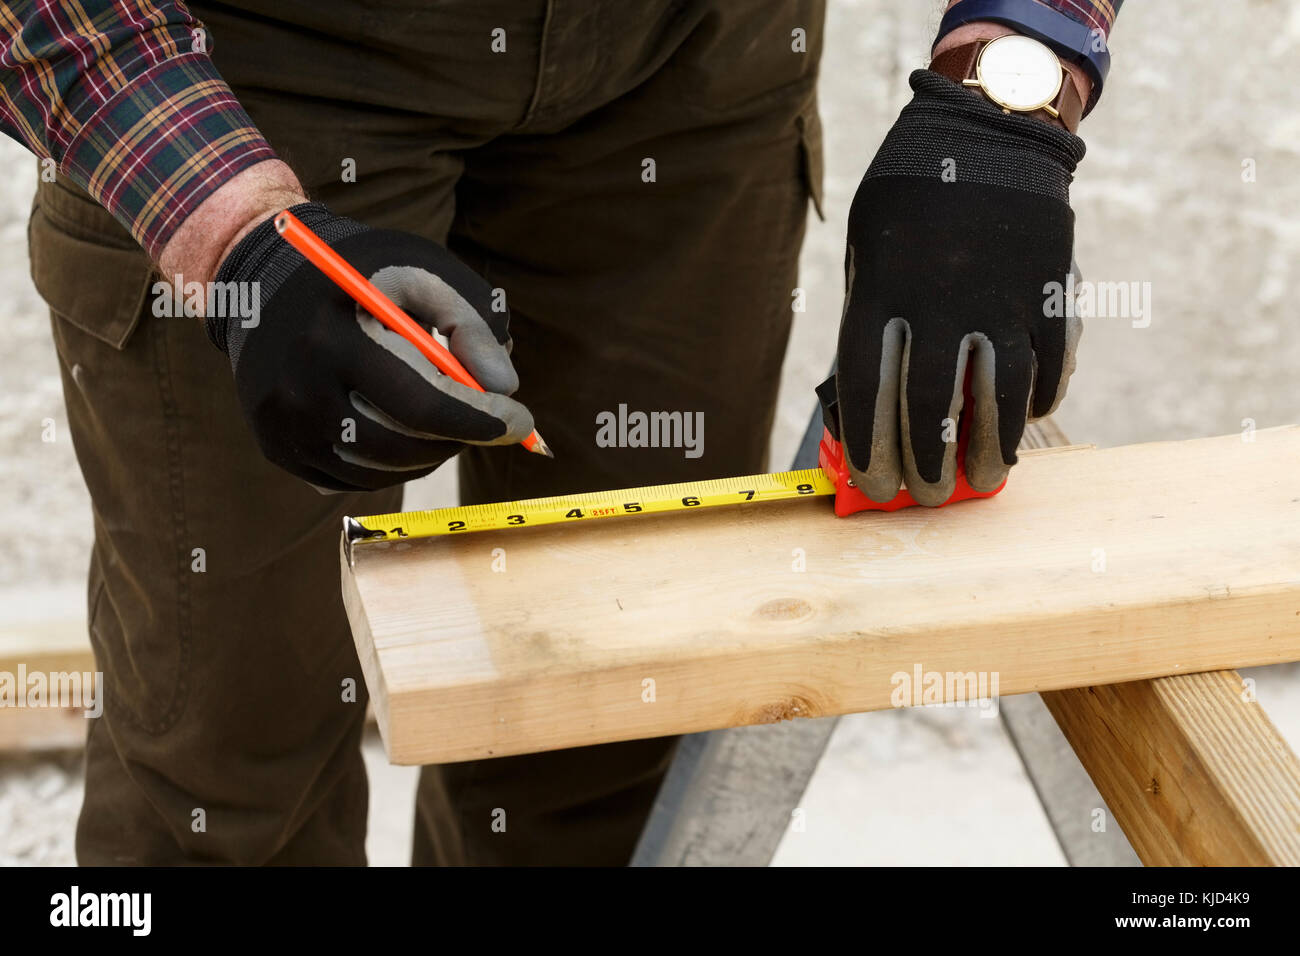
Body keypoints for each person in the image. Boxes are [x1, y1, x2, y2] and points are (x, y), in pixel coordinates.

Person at [2, 0, 1121, 865]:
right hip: (258, 59)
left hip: (689, 67)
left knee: (613, 721)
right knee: (224, 769)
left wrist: (1001, 104)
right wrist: (232, 228)